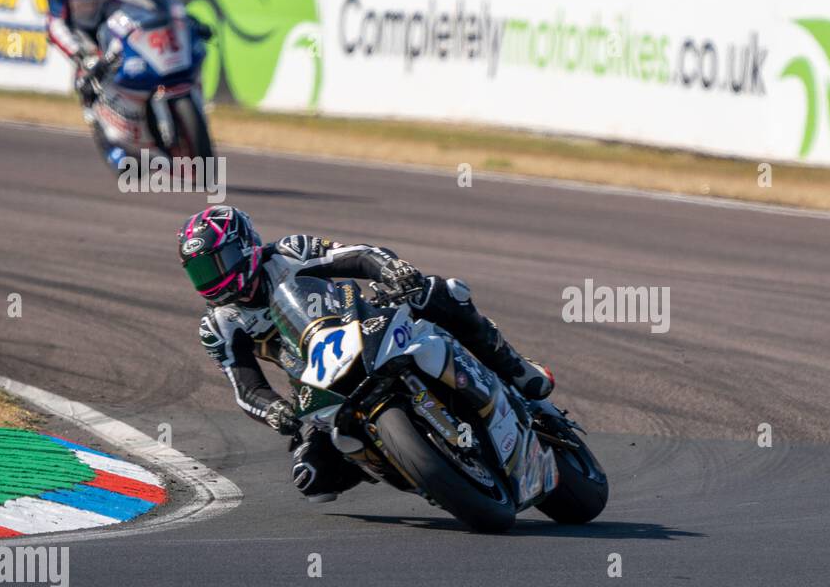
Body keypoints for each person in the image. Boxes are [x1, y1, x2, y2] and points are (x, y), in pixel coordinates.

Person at [178, 206, 556, 503]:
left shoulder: (289, 253)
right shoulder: (219, 326)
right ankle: (404, 463)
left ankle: (516, 368)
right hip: (315, 380)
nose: (209, 280)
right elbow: (246, 388)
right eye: (198, 272)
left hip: (364, 324)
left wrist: (392, 269)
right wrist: (276, 410)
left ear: (242, 248)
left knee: (440, 291)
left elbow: (357, 256)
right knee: (312, 479)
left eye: (215, 265)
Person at [45, 0, 173, 170]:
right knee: (86, 83)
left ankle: (156, 97)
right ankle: (112, 148)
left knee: (136, 25)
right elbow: (55, 23)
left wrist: (173, 15)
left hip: (108, 16)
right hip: (78, 30)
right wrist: (79, 54)